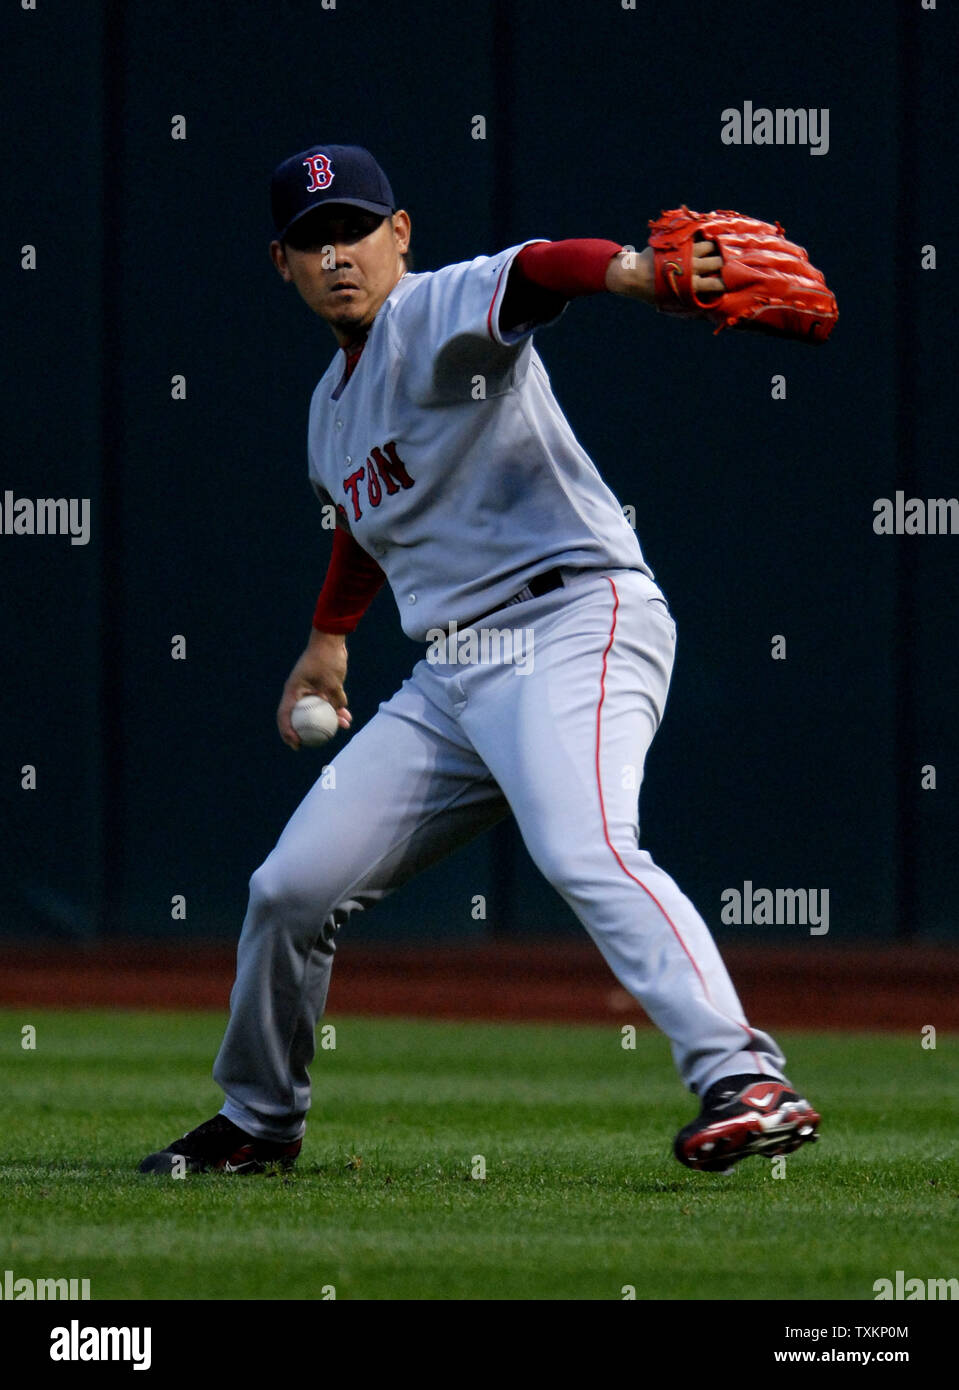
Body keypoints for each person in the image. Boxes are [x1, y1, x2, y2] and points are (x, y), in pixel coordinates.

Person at [139, 143, 820, 1178]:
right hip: (450, 677)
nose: (338, 256)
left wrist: (633, 273)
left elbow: (541, 267)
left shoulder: (436, 307)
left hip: (572, 620)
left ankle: (744, 1078)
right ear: (281, 263)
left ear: (399, 234)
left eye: (355, 230)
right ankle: (260, 1118)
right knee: (288, 888)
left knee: (585, 846)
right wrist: (327, 641)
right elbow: (363, 527)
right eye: (312, 241)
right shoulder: (328, 411)